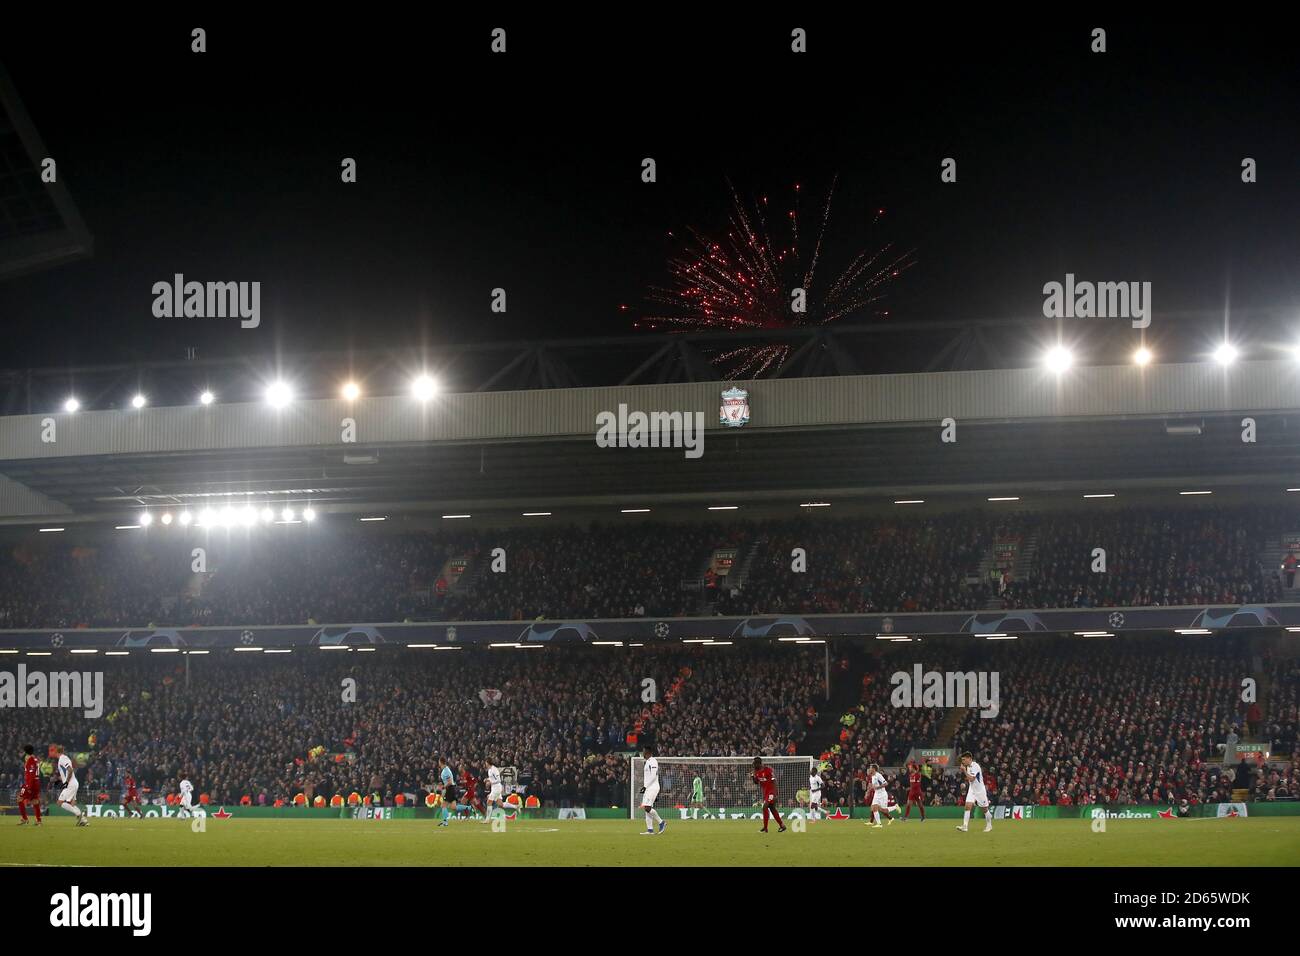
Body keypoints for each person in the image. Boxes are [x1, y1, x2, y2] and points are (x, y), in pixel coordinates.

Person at [956, 751, 992, 833]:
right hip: (972, 789)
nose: (963, 761)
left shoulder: (975, 766)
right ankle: (965, 826)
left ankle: (989, 825)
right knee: (967, 806)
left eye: (964, 759)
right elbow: (970, 780)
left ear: (969, 759)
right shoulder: (967, 766)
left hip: (979, 790)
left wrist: (964, 771)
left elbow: (972, 778)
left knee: (985, 809)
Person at [54, 746, 87, 826]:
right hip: (73, 783)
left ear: (56, 752)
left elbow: (70, 770)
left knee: (59, 802)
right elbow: (66, 772)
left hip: (70, 784)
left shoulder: (62, 758)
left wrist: (66, 782)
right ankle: (83, 820)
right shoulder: (64, 758)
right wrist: (59, 780)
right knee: (72, 803)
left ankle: (79, 813)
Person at [752, 756, 785, 833]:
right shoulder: (756, 772)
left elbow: (774, 781)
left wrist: (776, 794)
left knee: (764, 807)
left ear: (758, 764)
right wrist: (753, 777)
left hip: (771, 792)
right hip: (765, 793)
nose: (753, 765)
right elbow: (756, 782)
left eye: (754, 764)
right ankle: (782, 826)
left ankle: (765, 828)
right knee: (772, 809)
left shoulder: (767, 770)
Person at [639, 745, 665, 835]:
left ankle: (661, 822)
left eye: (643, 751)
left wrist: (645, 786)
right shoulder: (647, 762)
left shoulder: (653, 761)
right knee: (646, 808)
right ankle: (650, 830)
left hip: (652, 787)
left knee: (647, 808)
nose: (642, 753)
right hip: (648, 787)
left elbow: (653, 776)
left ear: (647, 752)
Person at [17, 745, 42, 826]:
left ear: (26, 752)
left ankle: (24, 819)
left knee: (20, 799)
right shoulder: (35, 759)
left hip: (31, 783)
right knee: (35, 801)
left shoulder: (30, 760)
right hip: (36, 783)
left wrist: (29, 786)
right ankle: (38, 821)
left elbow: (31, 774)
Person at [481, 759, 504, 823]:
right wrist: (487, 779)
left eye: (485, 763)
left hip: (497, 787)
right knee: (500, 804)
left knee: (489, 802)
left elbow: (499, 780)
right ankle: (503, 816)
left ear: (488, 763)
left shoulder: (494, 769)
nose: (485, 764)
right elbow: (492, 778)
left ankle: (487, 819)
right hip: (494, 787)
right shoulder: (489, 770)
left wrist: (490, 782)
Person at [437, 757, 456, 827]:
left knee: (443, 805)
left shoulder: (446, 771)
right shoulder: (445, 769)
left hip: (450, 788)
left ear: (441, 762)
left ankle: (445, 822)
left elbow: (450, 782)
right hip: (451, 788)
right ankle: (468, 808)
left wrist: (443, 787)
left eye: (439, 761)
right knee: (453, 807)